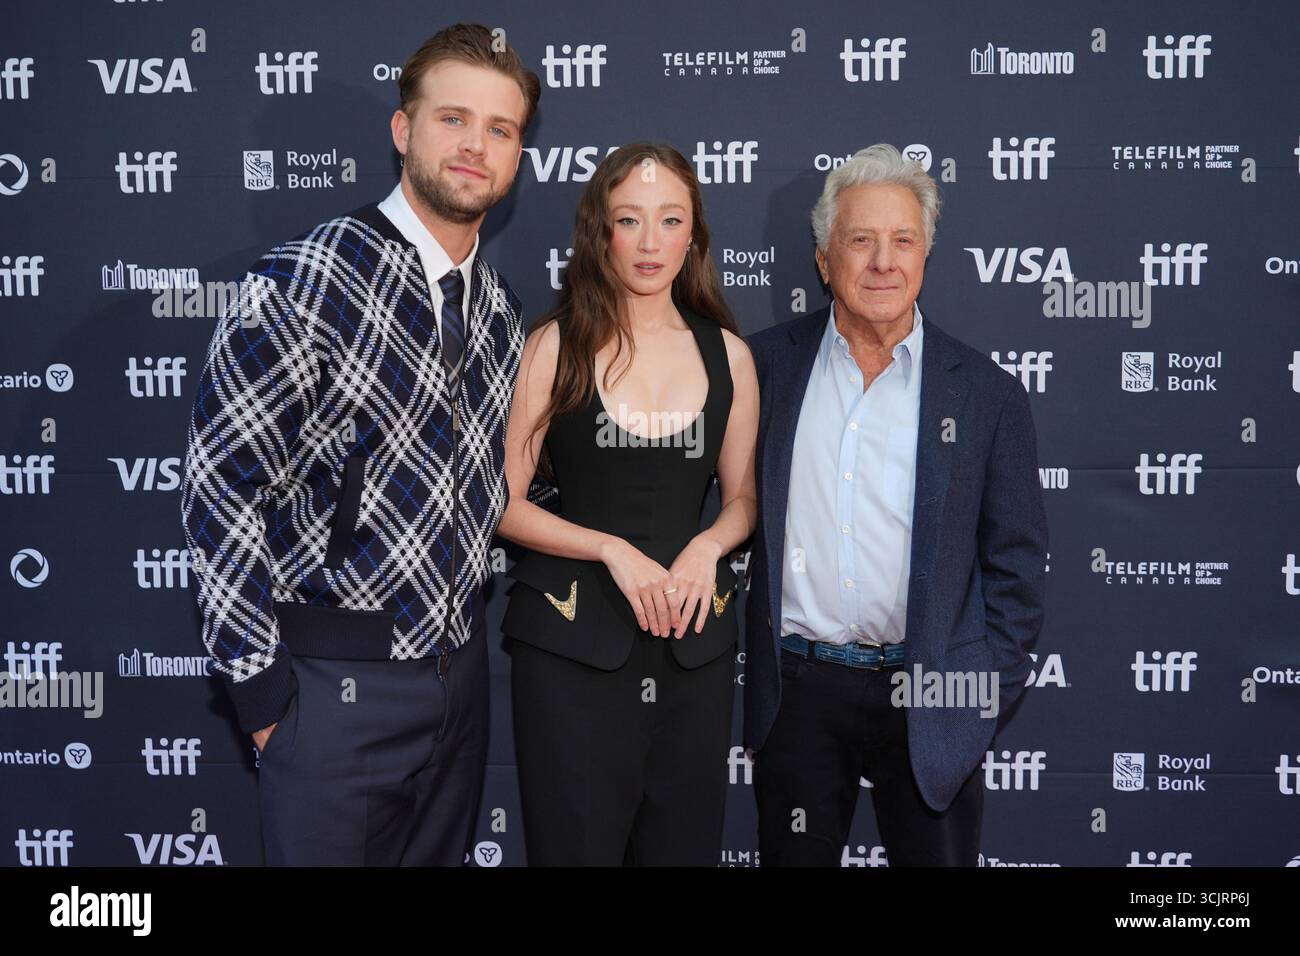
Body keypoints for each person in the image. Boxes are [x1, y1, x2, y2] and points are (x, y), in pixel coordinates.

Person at [179, 24, 540, 866]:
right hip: (330, 692)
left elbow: (485, 487)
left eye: (500, 129)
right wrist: (266, 696)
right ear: (403, 130)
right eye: (453, 119)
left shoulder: (496, 307)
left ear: (519, 153)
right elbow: (219, 486)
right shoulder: (308, 278)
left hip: (460, 682)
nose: (475, 146)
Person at [744, 144, 1048, 866]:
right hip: (800, 696)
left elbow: (1017, 568)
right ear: (824, 260)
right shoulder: (760, 369)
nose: (883, 260)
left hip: (932, 701)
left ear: (925, 255)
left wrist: (973, 704)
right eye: (861, 240)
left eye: (903, 240)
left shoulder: (985, 394)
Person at [495, 142, 759, 865]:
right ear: (598, 230)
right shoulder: (554, 347)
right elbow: (502, 505)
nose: (651, 243)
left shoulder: (728, 357)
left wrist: (708, 546)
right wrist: (609, 548)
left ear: (694, 235)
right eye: (629, 220)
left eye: (670, 221)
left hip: (692, 651)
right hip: (569, 649)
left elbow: (743, 499)